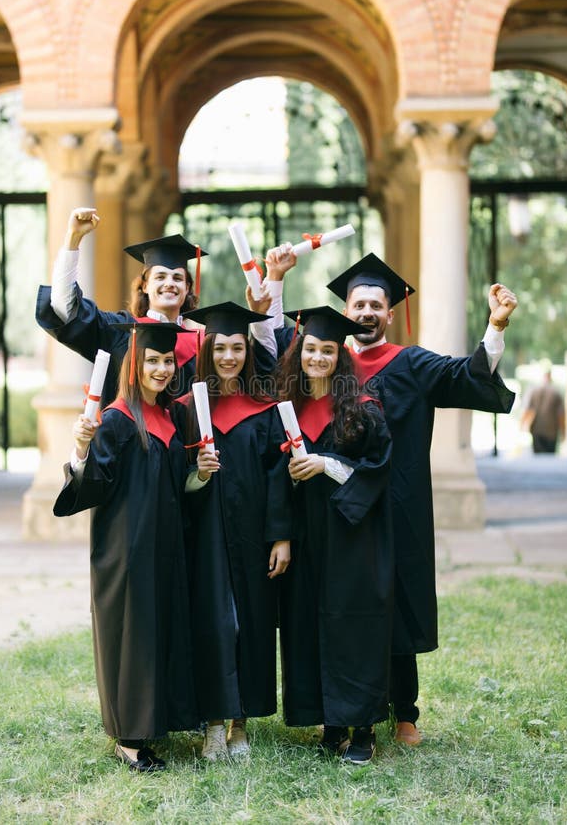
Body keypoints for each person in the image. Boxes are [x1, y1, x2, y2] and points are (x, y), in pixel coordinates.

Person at [254, 248, 518, 746]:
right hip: (335, 512)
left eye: (376, 306)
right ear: (346, 311)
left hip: (398, 506)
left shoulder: (411, 364)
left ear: (389, 314)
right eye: (359, 305)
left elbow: (468, 377)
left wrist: (495, 328)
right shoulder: (326, 364)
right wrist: (275, 282)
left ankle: (404, 712)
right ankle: (346, 710)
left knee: (396, 605)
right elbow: (274, 357)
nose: (367, 314)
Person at [53, 322, 198, 771]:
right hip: (127, 550)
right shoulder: (117, 419)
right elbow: (91, 483)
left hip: (167, 545)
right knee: (133, 635)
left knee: (161, 628)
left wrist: (203, 471)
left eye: (166, 361)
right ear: (134, 365)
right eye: (151, 360)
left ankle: (157, 722)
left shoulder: (174, 416)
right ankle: (128, 739)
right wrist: (80, 450)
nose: (160, 368)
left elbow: (180, 485)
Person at [173, 302, 293, 761]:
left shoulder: (263, 411)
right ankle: (214, 724)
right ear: (207, 350)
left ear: (247, 351)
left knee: (252, 624)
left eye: (237, 347)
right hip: (203, 537)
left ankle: (241, 722)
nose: (228, 356)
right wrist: (198, 472)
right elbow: (173, 481)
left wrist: (281, 536)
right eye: (220, 347)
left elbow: (279, 476)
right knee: (213, 624)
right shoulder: (185, 410)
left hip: (251, 537)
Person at [276, 306, 393, 766]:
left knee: (353, 624)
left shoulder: (363, 408)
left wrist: (325, 464)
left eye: (328, 350)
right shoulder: (290, 407)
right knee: (309, 622)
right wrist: (281, 532)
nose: (318, 357)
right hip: (307, 536)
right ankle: (331, 723)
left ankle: (362, 730)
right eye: (311, 349)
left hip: (352, 536)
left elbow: (378, 470)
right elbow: (274, 476)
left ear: (339, 357)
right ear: (299, 353)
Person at [36, 207, 209, 406]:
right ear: (145, 285)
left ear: (187, 288)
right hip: (124, 436)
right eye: (160, 277)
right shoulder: (120, 331)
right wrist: (72, 240)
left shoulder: (201, 344)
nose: (169, 283)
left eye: (177, 278)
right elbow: (65, 309)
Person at [521, 365, 565, 453]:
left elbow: (527, 410)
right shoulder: (556, 392)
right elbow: (561, 415)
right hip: (551, 431)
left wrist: (522, 425)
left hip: (537, 429)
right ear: (550, 376)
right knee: (549, 458)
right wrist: (563, 432)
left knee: (538, 458)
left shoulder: (533, 391)